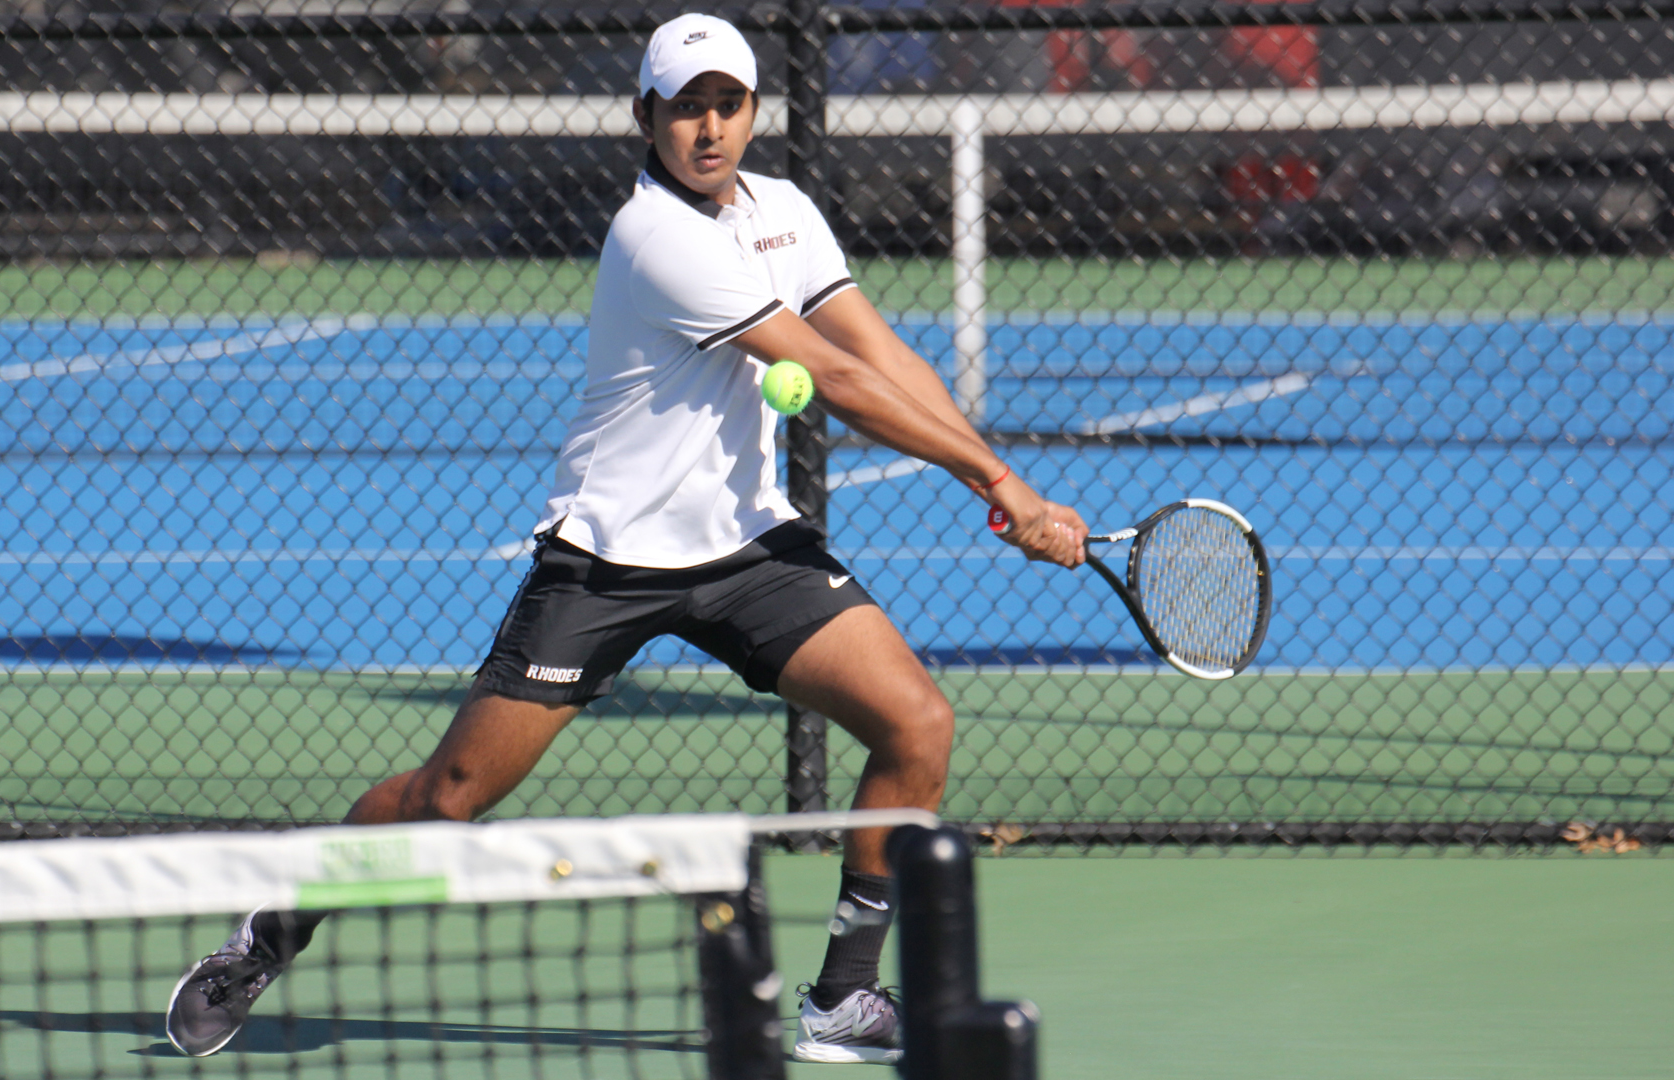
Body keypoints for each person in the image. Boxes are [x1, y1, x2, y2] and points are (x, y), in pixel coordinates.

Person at [165, 12, 1087, 1066]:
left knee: (916, 722)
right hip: (607, 564)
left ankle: (843, 999)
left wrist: (1006, 483)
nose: (707, 127)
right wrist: (1000, 482)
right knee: (447, 800)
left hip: (747, 550)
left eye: (726, 104)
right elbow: (835, 383)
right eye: (685, 107)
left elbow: (877, 351)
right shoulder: (656, 237)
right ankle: (269, 932)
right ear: (645, 117)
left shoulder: (784, 212)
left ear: (752, 111)